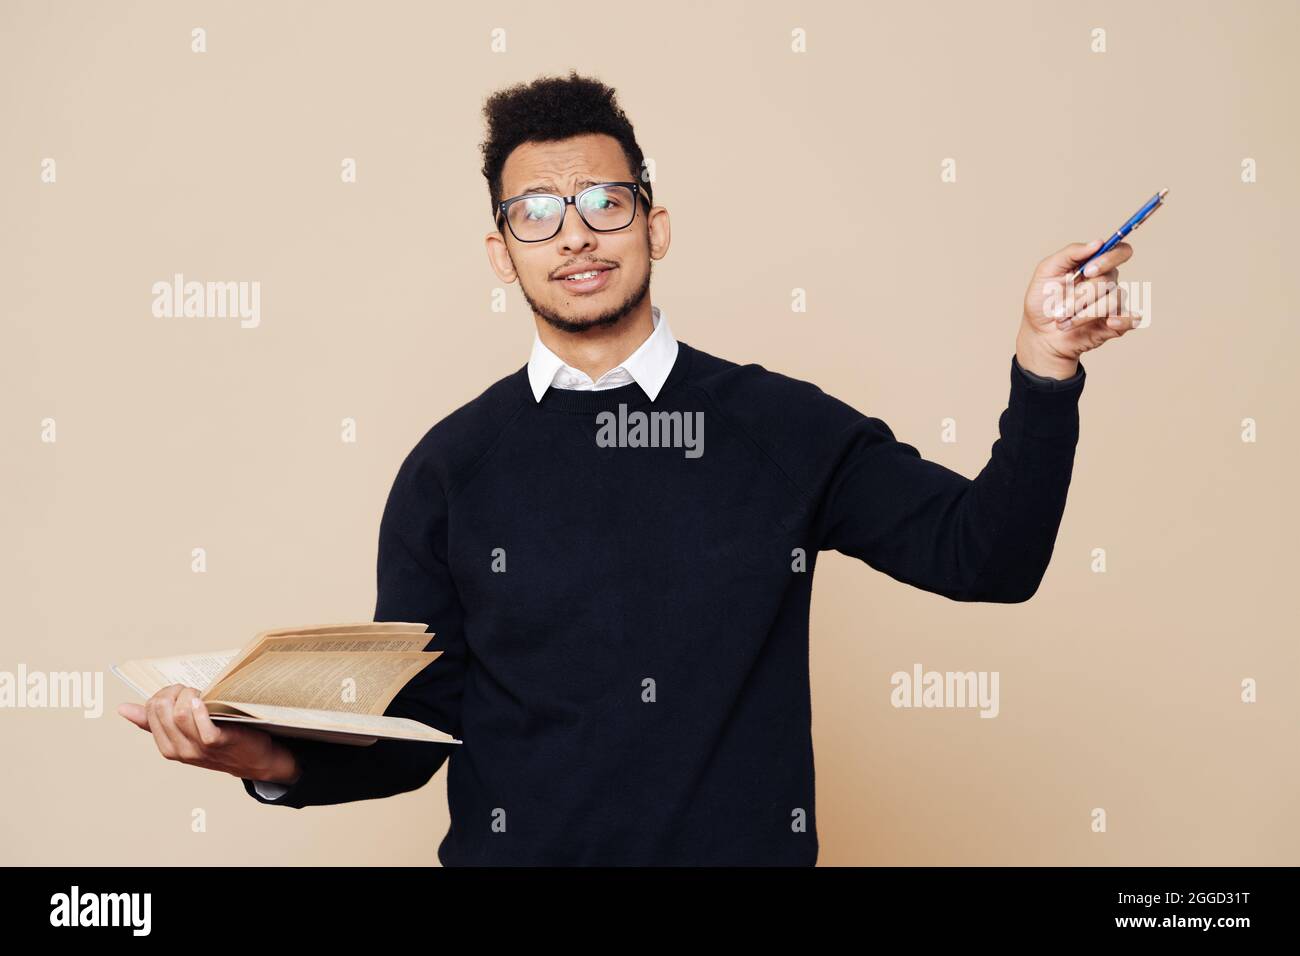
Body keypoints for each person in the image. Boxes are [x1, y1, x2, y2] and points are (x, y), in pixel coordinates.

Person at [119, 70, 1140, 866]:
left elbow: (987, 556)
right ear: (500, 252)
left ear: (654, 223)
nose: (574, 232)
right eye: (537, 212)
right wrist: (263, 761)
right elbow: (420, 730)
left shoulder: (781, 426)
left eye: (604, 200)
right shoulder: (447, 469)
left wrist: (1042, 364)